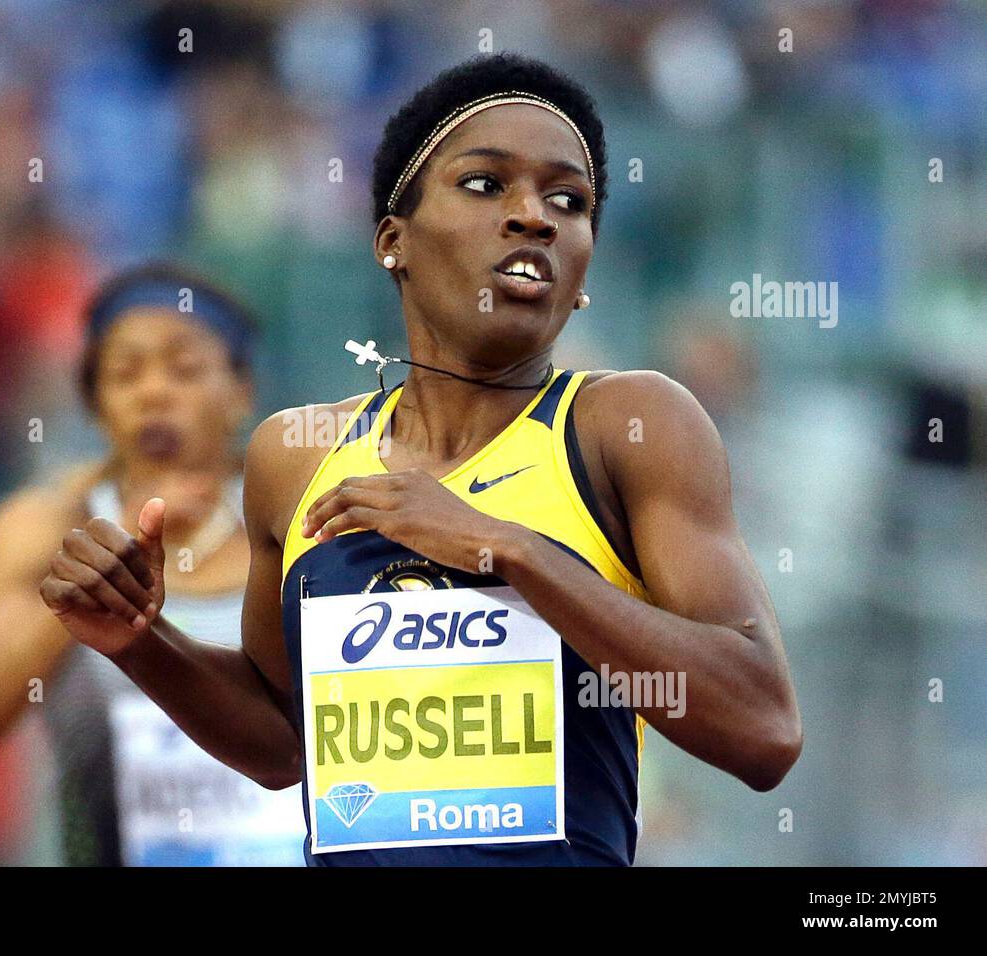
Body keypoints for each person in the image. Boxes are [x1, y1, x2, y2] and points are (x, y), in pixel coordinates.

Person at [39, 53, 802, 866]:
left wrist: (510, 547)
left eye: (568, 200)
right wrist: (141, 642)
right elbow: (280, 743)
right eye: (484, 184)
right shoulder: (296, 459)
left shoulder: (630, 424)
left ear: (583, 272)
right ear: (391, 241)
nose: (534, 217)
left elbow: (762, 728)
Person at [0, 262, 304, 866]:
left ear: (241, 392)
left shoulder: (294, 512)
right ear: (97, 404)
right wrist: (105, 559)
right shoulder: (45, 524)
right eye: (125, 373)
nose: (154, 392)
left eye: (185, 369)